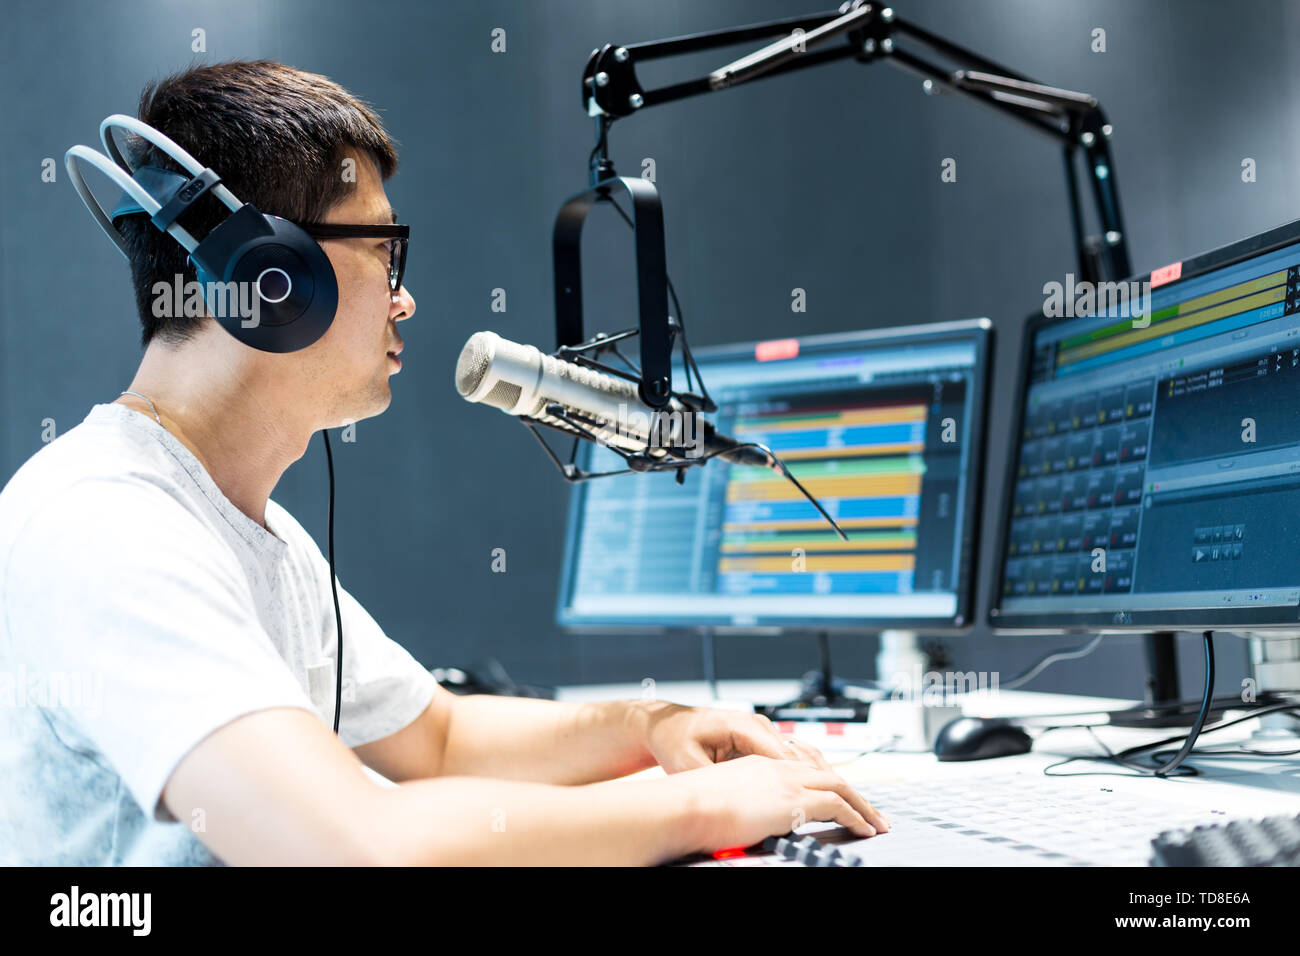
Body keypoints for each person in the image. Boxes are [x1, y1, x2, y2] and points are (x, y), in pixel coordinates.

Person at [0, 60, 887, 865]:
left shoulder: (250, 532)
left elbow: (440, 737)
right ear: (273, 278)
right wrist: (700, 809)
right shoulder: (104, 524)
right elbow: (347, 845)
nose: (407, 298)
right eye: (385, 254)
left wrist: (654, 726)